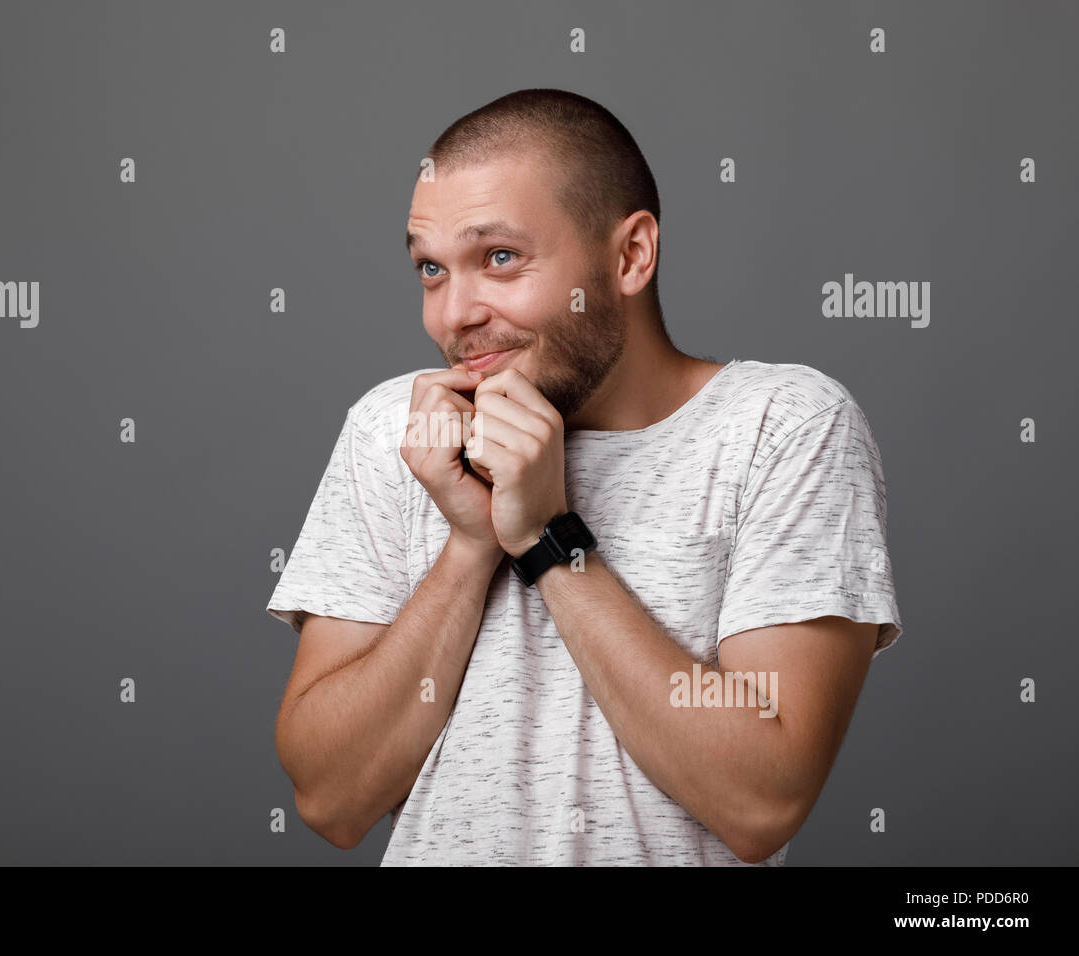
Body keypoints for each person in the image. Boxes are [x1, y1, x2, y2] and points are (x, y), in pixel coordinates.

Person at [266, 88, 903, 865]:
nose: (453, 316)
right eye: (431, 270)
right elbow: (330, 800)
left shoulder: (783, 425)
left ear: (630, 255)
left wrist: (545, 538)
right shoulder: (399, 431)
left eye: (499, 258)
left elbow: (761, 800)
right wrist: (470, 545)